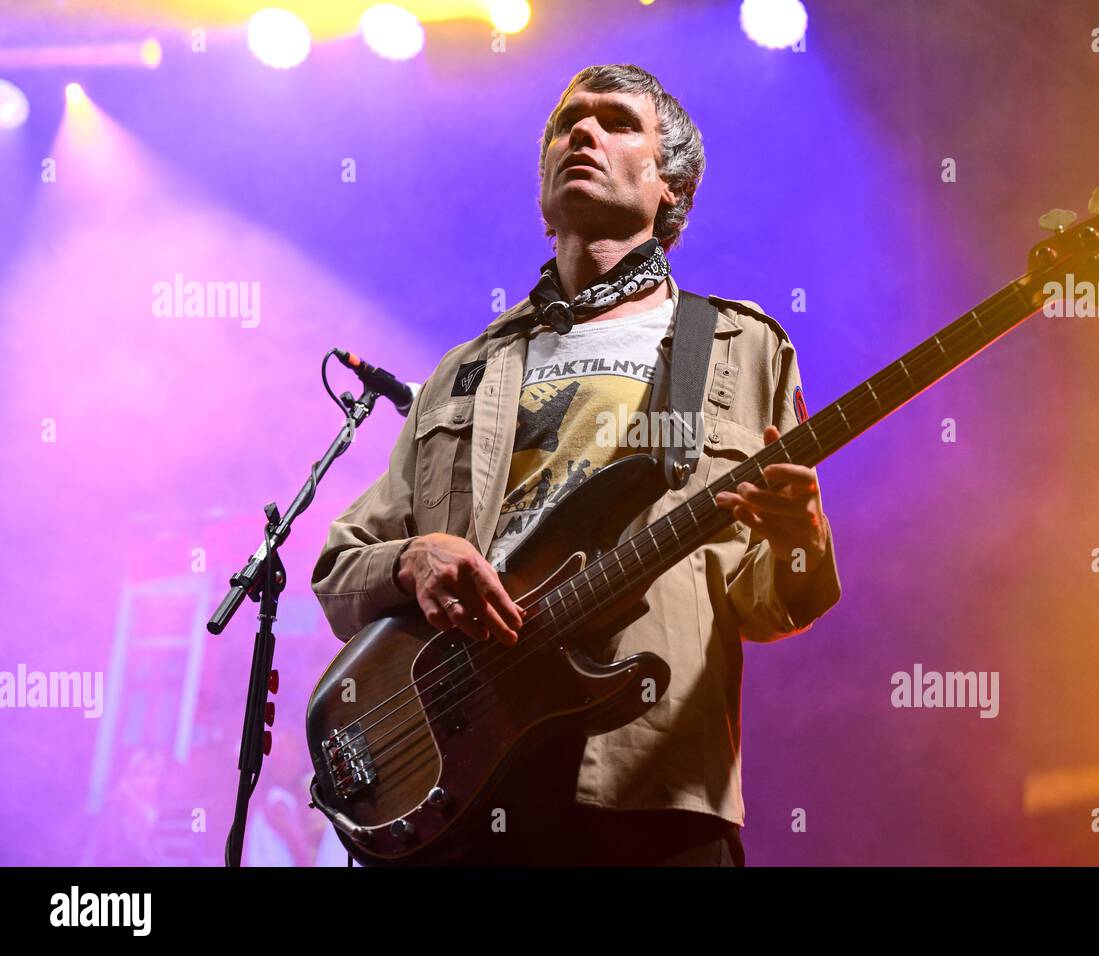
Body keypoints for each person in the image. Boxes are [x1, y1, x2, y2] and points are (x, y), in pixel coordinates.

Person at [311, 63, 841, 866]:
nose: (583, 134)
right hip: (458, 784)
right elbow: (339, 568)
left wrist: (801, 535)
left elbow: (769, 606)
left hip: (645, 787)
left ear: (671, 186)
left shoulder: (739, 346)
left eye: (617, 122)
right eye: (568, 123)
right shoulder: (465, 368)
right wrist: (415, 557)